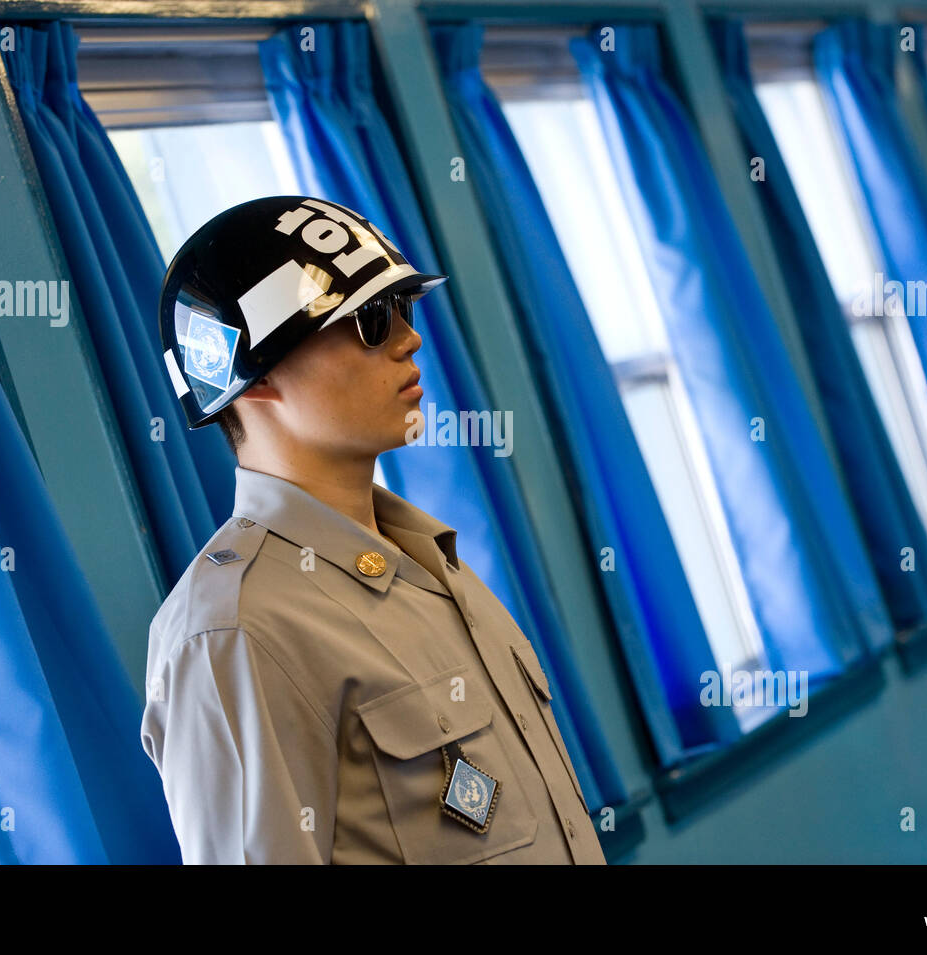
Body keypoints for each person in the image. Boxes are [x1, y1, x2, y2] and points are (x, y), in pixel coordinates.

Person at [140, 194, 606, 864]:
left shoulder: (427, 559)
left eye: (405, 309)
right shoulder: (235, 632)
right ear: (259, 375)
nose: (409, 339)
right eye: (370, 320)